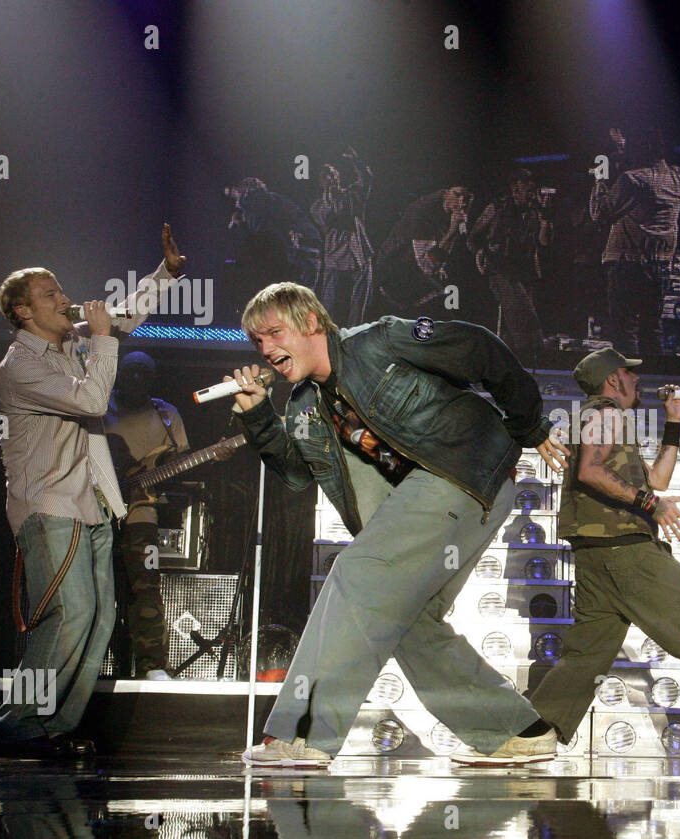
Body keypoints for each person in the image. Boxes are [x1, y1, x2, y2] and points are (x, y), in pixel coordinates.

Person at [228, 282, 568, 767]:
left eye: (273, 333)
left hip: (459, 473)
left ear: (309, 322)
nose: (265, 349)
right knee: (409, 622)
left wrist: (528, 424)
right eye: (257, 342)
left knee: (358, 573)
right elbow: (297, 475)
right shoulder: (302, 405)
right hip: (436, 504)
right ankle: (516, 731)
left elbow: (479, 347)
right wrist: (258, 417)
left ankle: (304, 734)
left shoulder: (379, 342)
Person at [516, 347, 680, 761]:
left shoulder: (605, 418)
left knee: (587, 655)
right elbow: (590, 471)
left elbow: (655, 478)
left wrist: (673, 423)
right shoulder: (603, 414)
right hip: (626, 553)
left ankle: (531, 733)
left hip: (596, 557)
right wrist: (652, 506)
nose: (637, 379)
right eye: (629, 373)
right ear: (613, 380)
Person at [0, 224, 185, 757]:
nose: (65, 298)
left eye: (59, 289)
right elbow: (95, 401)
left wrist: (165, 274)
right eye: (50, 294)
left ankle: (53, 729)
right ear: (24, 312)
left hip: (91, 502)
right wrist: (101, 339)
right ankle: (15, 723)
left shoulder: (72, 342)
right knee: (68, 615)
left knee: (97, 620)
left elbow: (125, 314)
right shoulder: (21, 366)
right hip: (50, 506)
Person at [104, 352, 189, 680]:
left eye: (143, 371)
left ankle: (152, 665)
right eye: (130, 371)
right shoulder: (99, 406)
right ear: (119, 375)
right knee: (97, 590)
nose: (136, 377)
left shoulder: (167, 415)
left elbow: (178, 463)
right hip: (96, 510)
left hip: (143, 513)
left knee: (147, 587)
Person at [589, 127, 680, 356]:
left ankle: (629, 385)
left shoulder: (632, 179)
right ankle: (656, 382)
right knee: (652, 328)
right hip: (661, 264)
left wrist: (600, 180)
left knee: (625, 330)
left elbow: (599, 214)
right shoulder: (679, 176)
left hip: (628, 263)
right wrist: (624, 150)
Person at [467, 169, 551, 362]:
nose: (532, 195)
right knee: (523, 321)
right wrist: (480, 254)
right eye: (528, 190)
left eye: (534, 190)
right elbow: (473, 238)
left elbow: (544, 242)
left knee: (517, 323)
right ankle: (526, 361)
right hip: (500, 269)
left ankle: (510, 363)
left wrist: (545, 217)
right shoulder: (496, 209)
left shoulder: (534, 212)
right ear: (515, 189)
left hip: (525, 272)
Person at [373, 186, 473, 316]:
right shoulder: (423, 213)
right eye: (458, 195)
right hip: (397, 281)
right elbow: (427, 266)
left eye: (466, 199)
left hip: (415, 274)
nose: (462, 202)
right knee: (451, 304)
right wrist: (452, 230)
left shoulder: (447, 210)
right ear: (447, 193)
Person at [311, 147, 374, 328]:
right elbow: (328, 217)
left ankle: (357, 334)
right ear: (320, 182)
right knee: (329, 302)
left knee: (360, 302)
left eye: (332, 174)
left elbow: (367, 180)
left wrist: (357, 162)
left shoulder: (353, 194)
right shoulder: (317, 206)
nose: (330, 178)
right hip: (335, 257)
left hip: (359, 252)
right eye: (325, 176)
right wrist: (329, 198)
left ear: (338, 176)